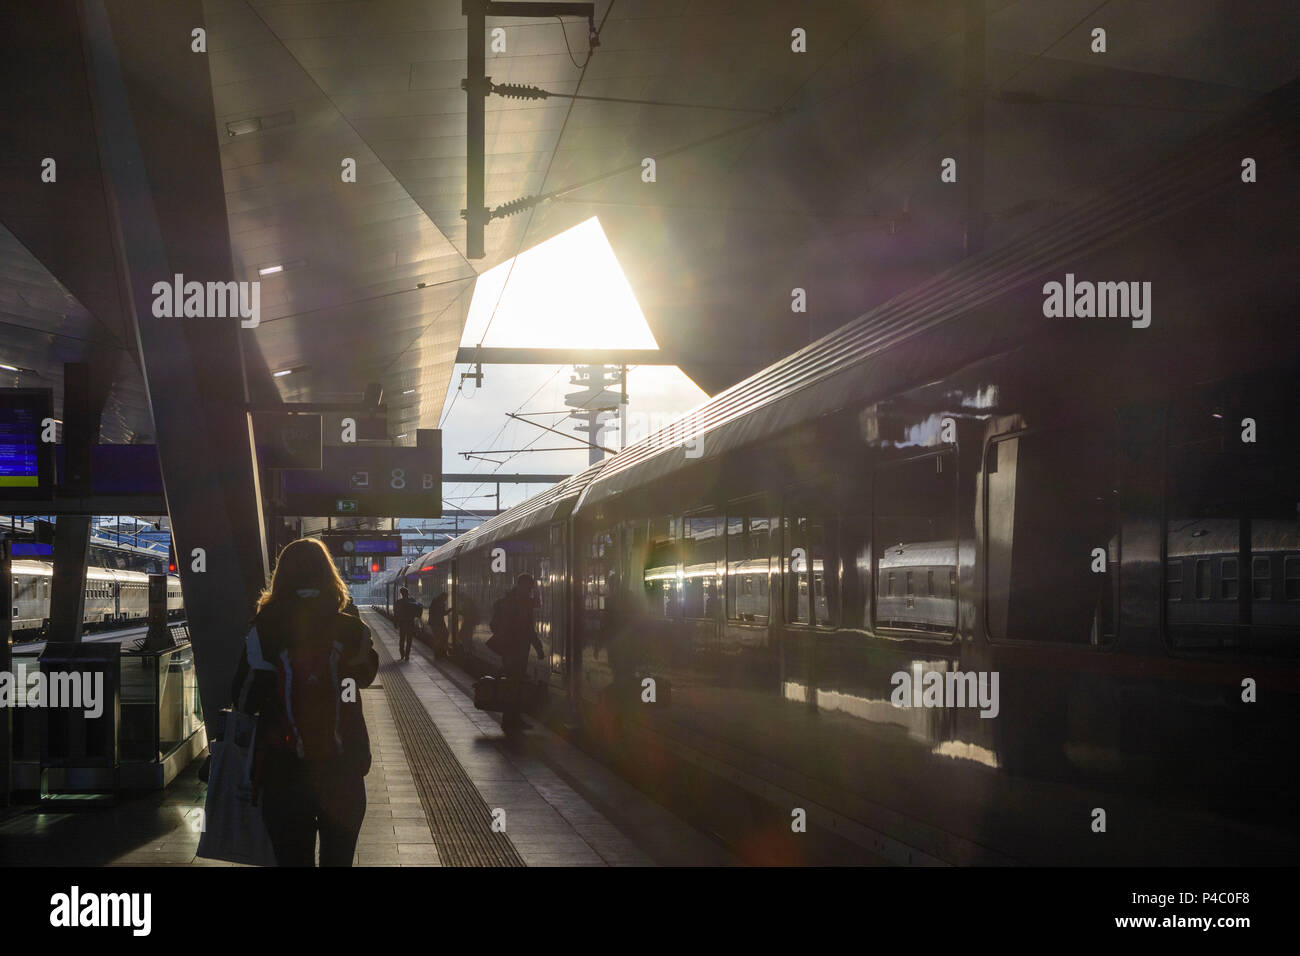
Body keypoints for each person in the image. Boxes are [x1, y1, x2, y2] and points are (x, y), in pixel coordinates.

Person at [230, 538, 378, 867]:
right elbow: (366, 676)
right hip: (344, 770)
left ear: (281, 577)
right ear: (329, 575)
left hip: (283, 772)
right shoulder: (352, 630)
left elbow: (243, 699)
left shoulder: (264, 630)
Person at [488, 573, 545, 737]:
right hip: (516, 649)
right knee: (514, 684)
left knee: (513, 683)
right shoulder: (519, 603)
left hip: (511, 648)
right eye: (529, 587)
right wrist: (539, 647)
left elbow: (495, 625)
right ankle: (511, 719)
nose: (530, 590)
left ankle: (511, 718)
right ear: (522, 586)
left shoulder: (509, 600)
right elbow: (527, 628)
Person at [394, 586, 423, 661]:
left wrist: (395, 623)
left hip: (402, 623)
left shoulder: (398, 602)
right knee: (409, 640)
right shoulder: (412, 601)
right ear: (407, 593)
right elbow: (420, 607)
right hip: (410, 623)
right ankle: (407, 655)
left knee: (402, 639)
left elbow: (396, 613)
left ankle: (402, 654)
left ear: (401, 593)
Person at [428, 592, 450, 659]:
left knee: (439, 637)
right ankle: (439, 653)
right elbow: (442, 613)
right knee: (441, 637)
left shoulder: (435, 601)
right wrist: (449, 610)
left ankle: (439, 652)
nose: (446, 599)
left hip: (434, 622)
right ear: (443, 597)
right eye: (445, 598)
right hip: (438, 623)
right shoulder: (440, 603)